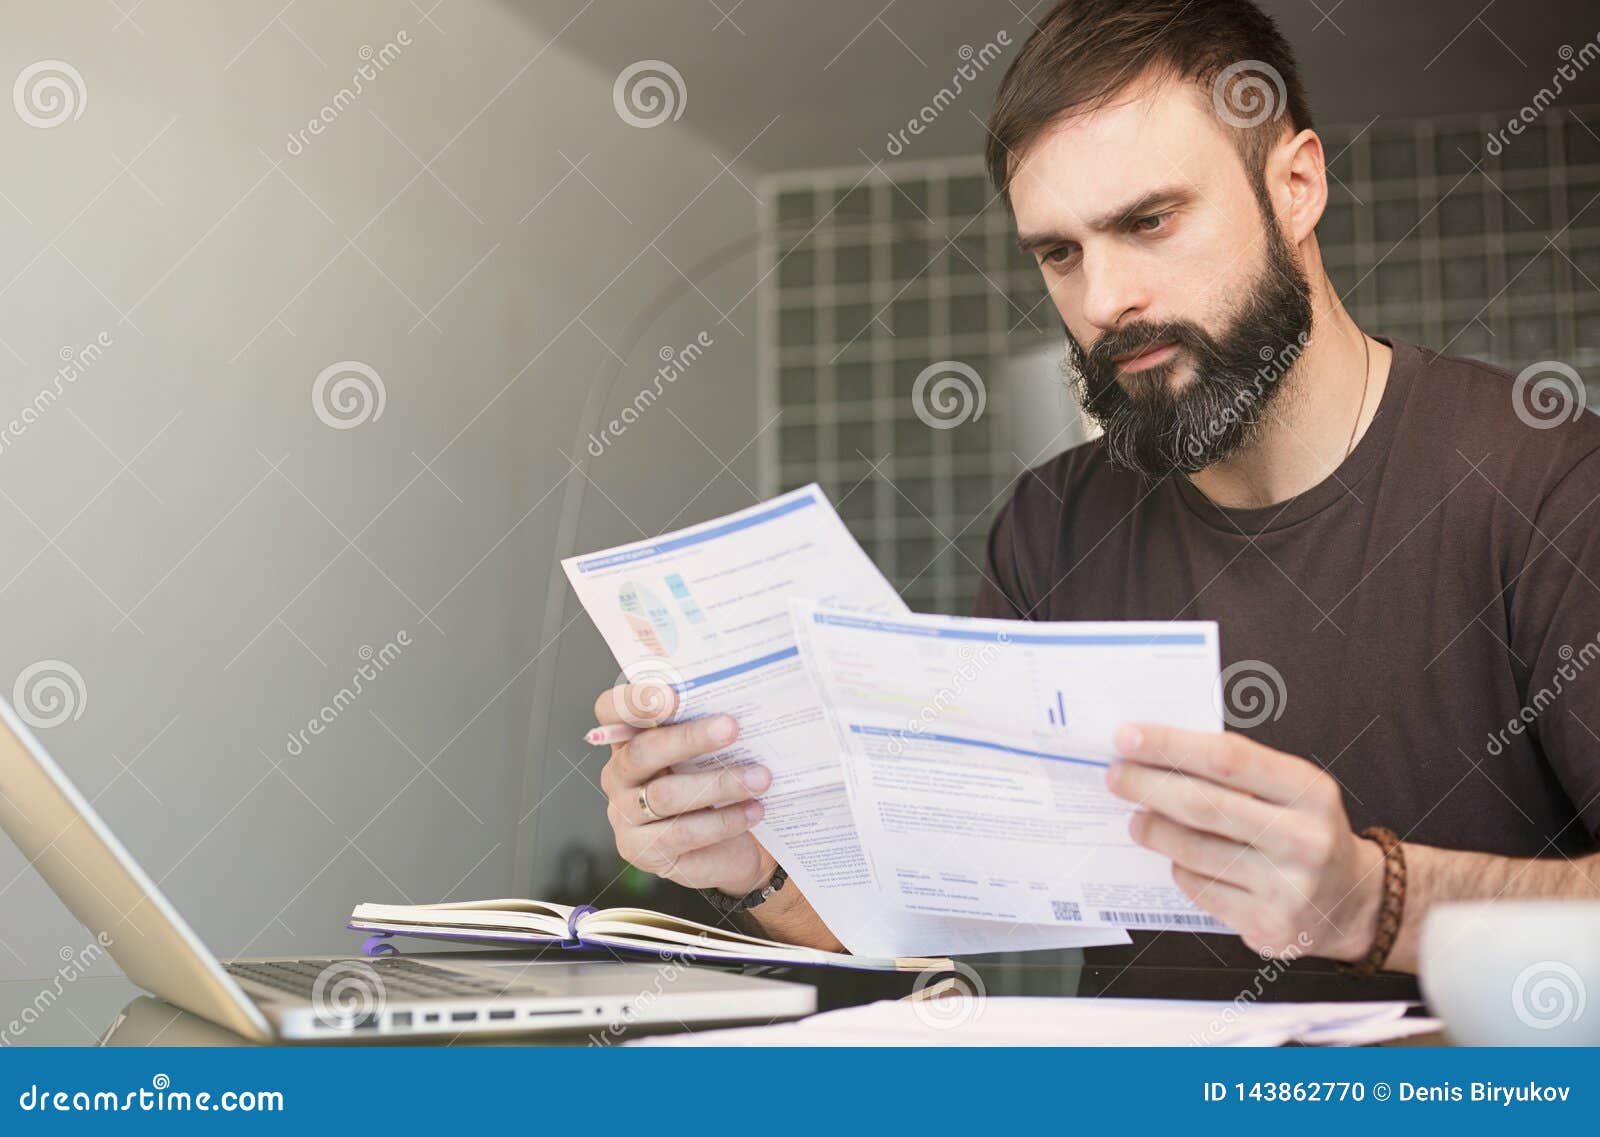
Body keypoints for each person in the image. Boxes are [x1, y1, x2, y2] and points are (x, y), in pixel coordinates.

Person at [592, 0, 1600, 999]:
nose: (1103, 300)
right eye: (1060, 253)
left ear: (1294, 185)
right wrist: (751, 858)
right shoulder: (1052, 525)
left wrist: (1365, 899)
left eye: (1148, 221)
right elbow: (936, 924)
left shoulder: (1549, 482)